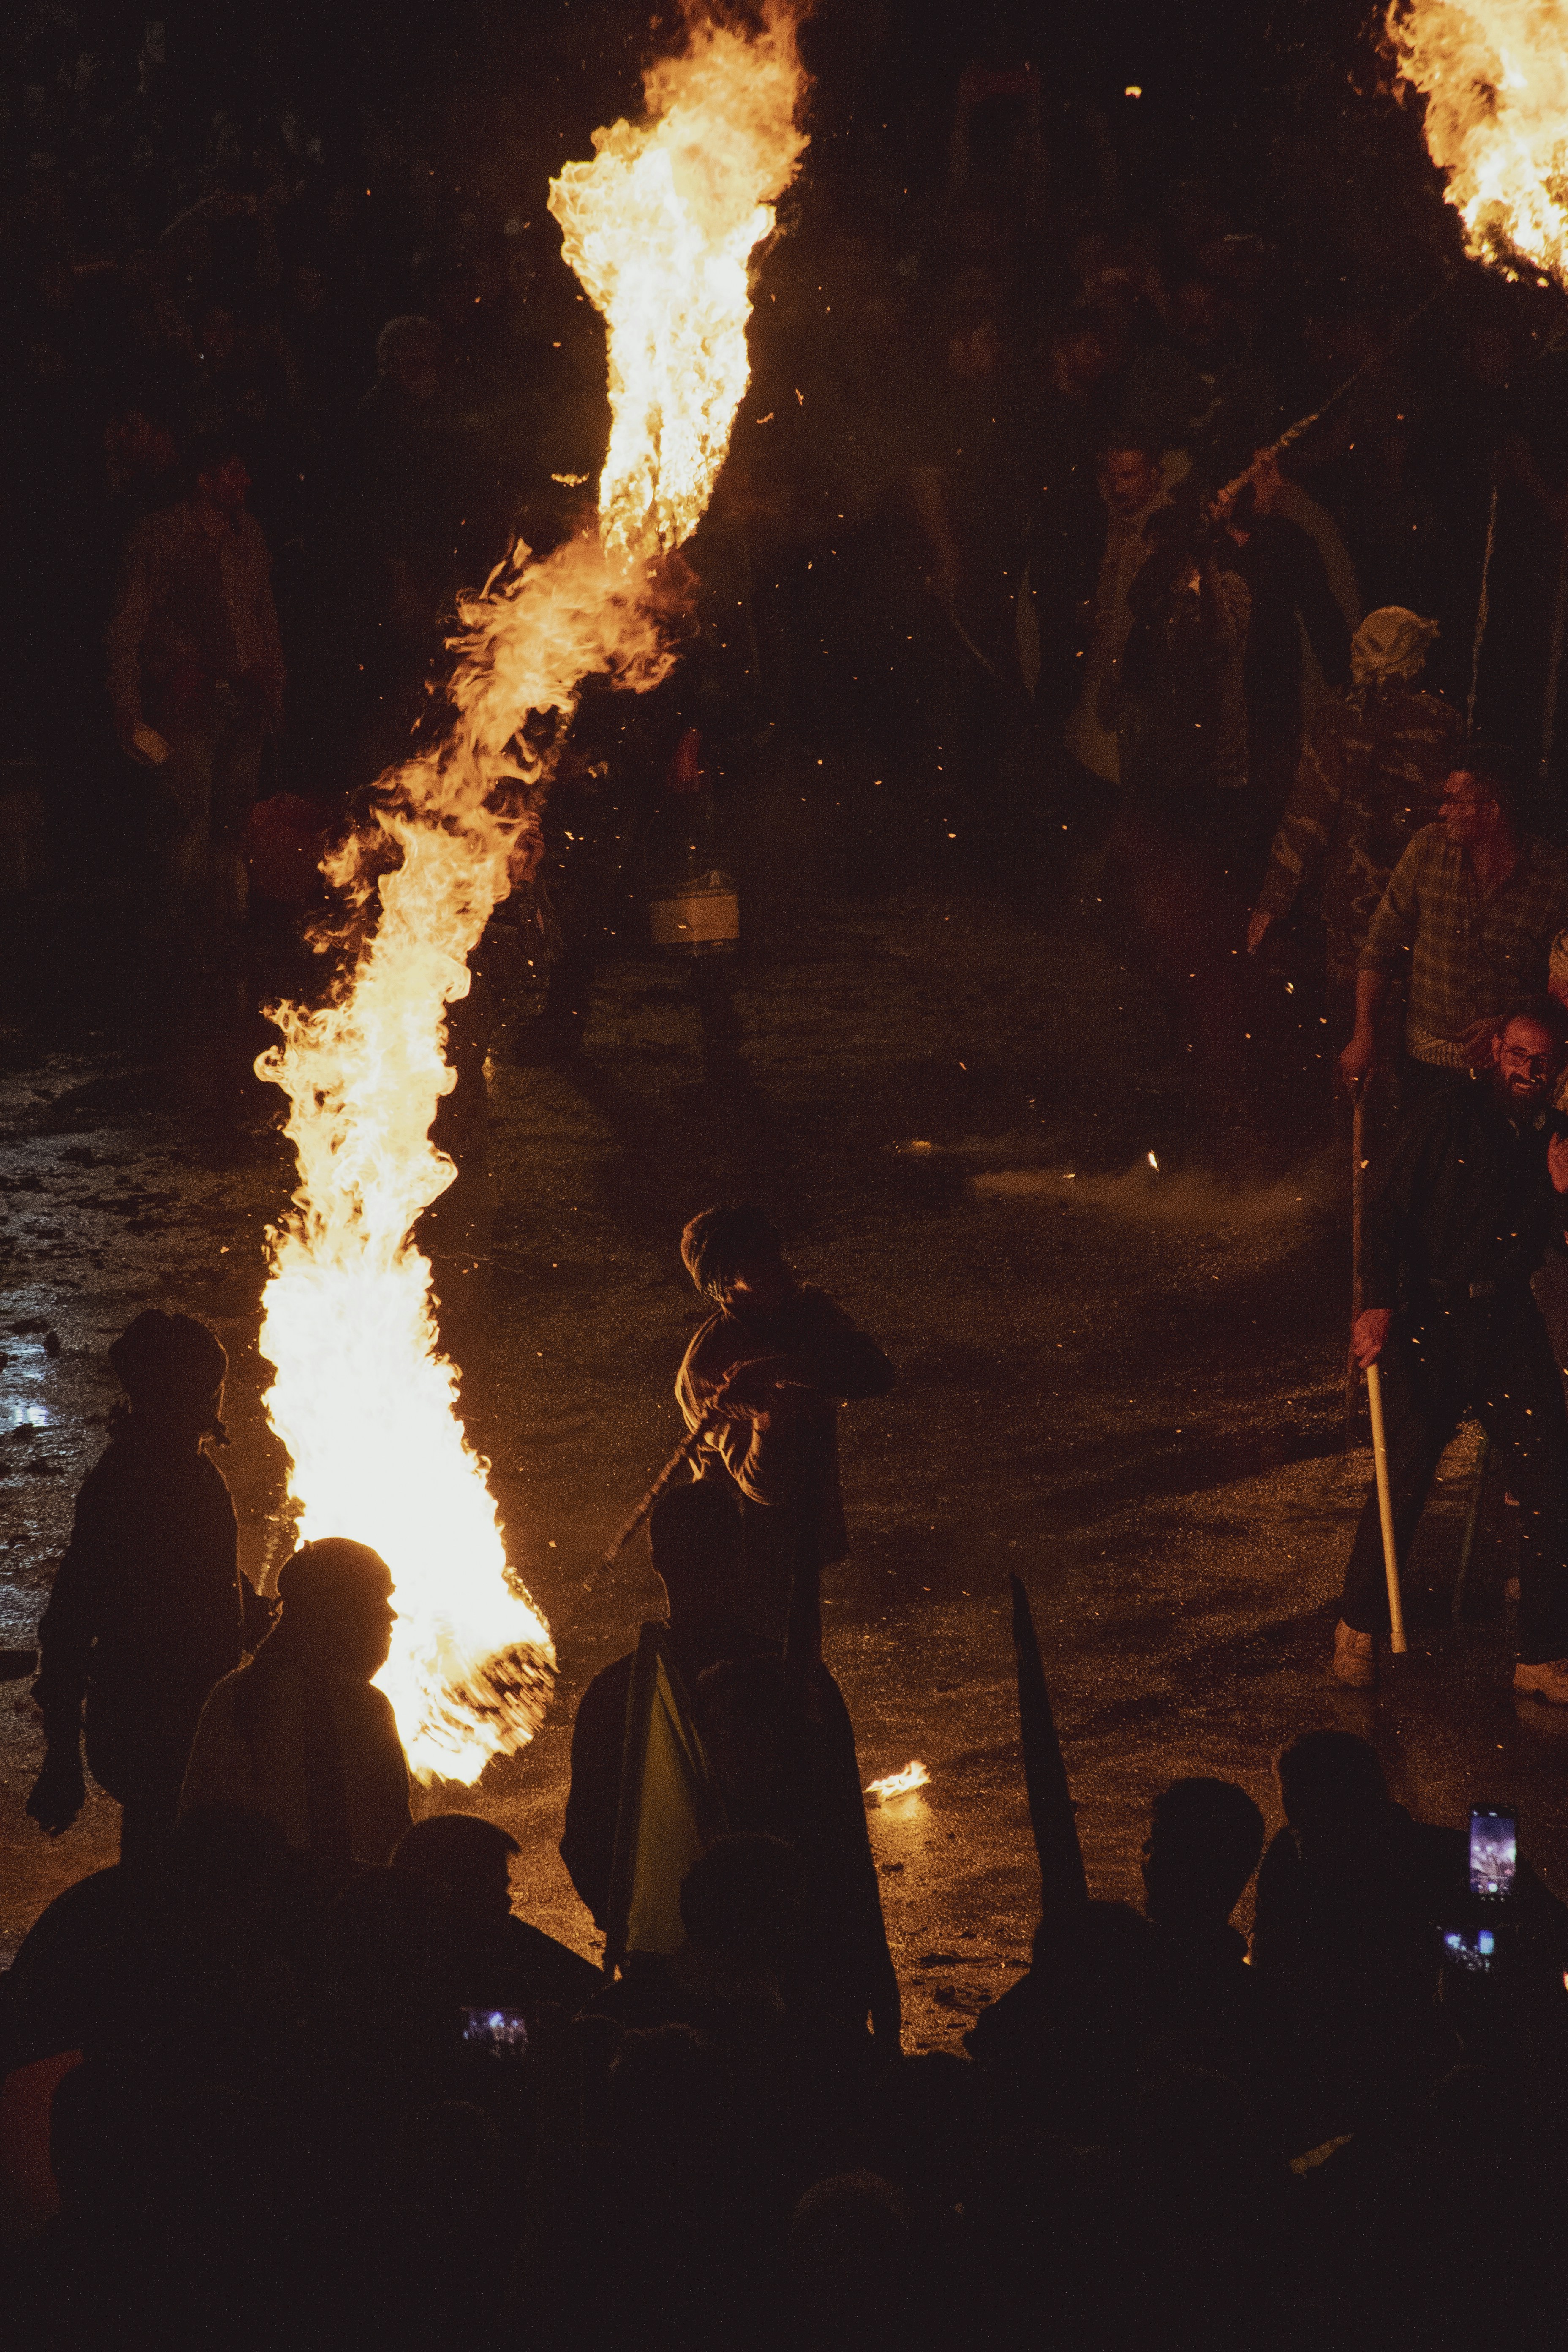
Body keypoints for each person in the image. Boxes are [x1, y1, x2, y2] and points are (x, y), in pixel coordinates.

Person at [1332, 999, 1568, 1698]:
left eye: (1542, 1061)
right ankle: (1357, 1628)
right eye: (1518, 1054)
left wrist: (1562, 1194)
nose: (1528, 1069)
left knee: (1553, 1484)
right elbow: (1386, 1216)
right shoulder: (1445, 1118)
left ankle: (1542, 1656)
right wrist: (1377, 1302)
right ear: (1496, 1050)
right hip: (1430, 1315)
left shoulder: (1554, 1137)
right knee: (1400, 1481)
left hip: (1506, 1318)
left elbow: (1558, 1244)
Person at [26, 1311, 269, 1862]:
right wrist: (60, 1761)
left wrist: (244, 1607)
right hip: (152, 1729)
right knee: (167, 1869)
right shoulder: (132, 1482)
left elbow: (194, 1565)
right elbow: (70, 1621)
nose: (216, 1398)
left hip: (183, 1723)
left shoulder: (184, 1468)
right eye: (210, 1386)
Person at [1247, 607, 1463, 1050]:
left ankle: (1360, 1114)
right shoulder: (1445, 722)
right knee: (1423, 1025)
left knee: (1360, 1034)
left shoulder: (1339, 721)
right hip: (1427, 902)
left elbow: (1307, 816)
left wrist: (1273, 901)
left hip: (1358, 907)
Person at [674, 1203, 895, 1632]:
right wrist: (766, 1418)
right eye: (758, 1255)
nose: (779, 1262)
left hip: (803, 1530)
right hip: (743, 1552)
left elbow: (875, 1375)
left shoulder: (807, 1310)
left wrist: (781, 1369)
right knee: (758, 1661)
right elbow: (762, 1488)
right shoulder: (708, 1367)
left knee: (800, 1649)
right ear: (723, 1278)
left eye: (774, 1249)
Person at [561, 1478, 765, 1930]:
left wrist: (635, 1930)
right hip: (783, 1956)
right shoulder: (786, 1677)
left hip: (661, 1950)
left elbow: (585, 1844)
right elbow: (840, 1836)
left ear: (657, 1564)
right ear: (740, 1557)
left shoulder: (615, 1692)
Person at [104, 433, 285, 939]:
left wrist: (276, 684)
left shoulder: (248, 533)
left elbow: (264, 615)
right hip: (190, 701)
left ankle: (224, 928)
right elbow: (127, 625)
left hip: (246, 701)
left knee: (232, 824)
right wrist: (126, 702)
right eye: (232, 471)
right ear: (204, 480)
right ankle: (175, 932)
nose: (244, 481)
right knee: (186, 822)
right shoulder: (160, 536)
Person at [1340, 742, 1568, 1105]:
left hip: (1511, 1073)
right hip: (1424, 1063)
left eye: (1454, 801)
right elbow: (1380, 946)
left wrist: (1510, 1020)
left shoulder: (1555, 878)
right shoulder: (1428, 849)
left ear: (1491, 810)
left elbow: (1562, 989)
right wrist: (1364, 1034)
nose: (1442, 811)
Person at [179, 1538, 411, 1869]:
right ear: (340, 1611)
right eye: (379, 1598)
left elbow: (194, 1829)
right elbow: (393, 1840)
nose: (392, 1615)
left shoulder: (232, 1695)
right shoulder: (362, 1707)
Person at [1220, 448, 1353, 850]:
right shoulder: (1200, 543)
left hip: (1271, 689)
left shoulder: (1290, 541)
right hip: (1212, 693)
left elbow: (1321, 611)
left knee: (1269, 796)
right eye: (1266, 474)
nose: (1278, 484)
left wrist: (1347, 676)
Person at [395, 1812, 600, 2019]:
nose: (508, 1902)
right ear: (451, 1889)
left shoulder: (511, 1938)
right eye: (497, 1889)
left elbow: (590, 1983)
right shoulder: (413, 1988)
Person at [1060, 438, 1168, 787]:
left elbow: (1139, 619)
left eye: (1128, 476)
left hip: (1132, 687)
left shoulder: (1159, 534)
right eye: (1112, 477)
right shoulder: (1116, 525)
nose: (1118, 487)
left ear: (1153, 475)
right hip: (1104, 677)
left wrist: (1117, 679)